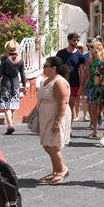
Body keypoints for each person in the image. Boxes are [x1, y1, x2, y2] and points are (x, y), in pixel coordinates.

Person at [34, 55, 72, 183]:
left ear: (54, 68)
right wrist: (32, 113)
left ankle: (62, 169)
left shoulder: (59, 82)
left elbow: (63, 102)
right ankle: (55, 171)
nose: (43, 68)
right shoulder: (46, 80)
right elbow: (41, 99)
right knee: (47, 144)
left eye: (46, 66)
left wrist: (57, 122)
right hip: (46, 115)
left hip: (55, 115)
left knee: (52, 144)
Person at [0, 40, 28, 135]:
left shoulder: (5, 60)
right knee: (12, 106)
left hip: (6, 84)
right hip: (15, 84)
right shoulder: (21, 60)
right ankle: (11, 123)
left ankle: (10, 125)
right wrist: (24, 85)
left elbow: (0, 72)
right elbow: (23, 74)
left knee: (6, 107)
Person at [54, 32, 87, 124]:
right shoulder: (60, 53)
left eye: (77, 40)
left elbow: (82, 71)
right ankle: (61, 123)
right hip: (61, 82)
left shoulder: (80, 55)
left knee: (71, 105)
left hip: (74, 82)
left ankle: (69, 127)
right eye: (74, 40)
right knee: (61, 104)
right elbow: (55, 68)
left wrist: (81, 86)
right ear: (69, 41)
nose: (76, 42)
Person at [84, 39, 104, 142]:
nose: (90, 48)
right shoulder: (90, 60)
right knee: (93, 110)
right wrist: (84, 87)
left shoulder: (103, 58)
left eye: (91, 47)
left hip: (102, 86)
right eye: (90, 47)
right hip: (92, 86)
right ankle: (94, 131)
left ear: (97, 48)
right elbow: (88, 75)